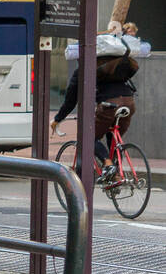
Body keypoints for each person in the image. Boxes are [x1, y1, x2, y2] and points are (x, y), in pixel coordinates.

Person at [51, 43, 137, 177]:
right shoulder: (113, 66)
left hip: (110, 104)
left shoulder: (84, 69)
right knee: (113, 135)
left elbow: (71, 100)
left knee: (87, 137)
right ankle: (117, 173)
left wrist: (58, 119)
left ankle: (108, 164)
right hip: (129, 102)